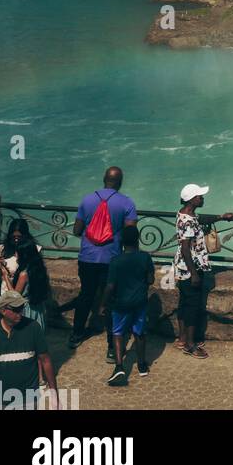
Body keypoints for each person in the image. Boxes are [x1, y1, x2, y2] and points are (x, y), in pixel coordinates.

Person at [69, 165, 137, 354]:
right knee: (110, 301)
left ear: (104, 179)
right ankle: (111, 346)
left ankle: (76, 335)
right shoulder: (127, 203)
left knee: (85, 296)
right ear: (120, 181)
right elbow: (130, 234)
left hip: (87, 257)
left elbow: (76, 230)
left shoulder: (87, 200)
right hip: (112, 259)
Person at [173, 183, 233, 359]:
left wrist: (222, 217)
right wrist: (193, 273)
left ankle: (182, 339)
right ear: (192, 199)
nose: (202, 198)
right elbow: (185, 248)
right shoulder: (187, 220)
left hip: (182, 266)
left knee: (185, 303)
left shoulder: (186, 214)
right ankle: (190, 346)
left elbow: (200, 220)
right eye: (199, 196)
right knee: (192, 306)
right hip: (190, 268)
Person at [0, 291, 58, 409]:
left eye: (21, 308)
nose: (20, 312)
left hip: (29, 399)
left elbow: (46, 360)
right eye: (16, 309)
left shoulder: (33, 328)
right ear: (2, 310)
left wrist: (54, 394)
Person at [104, 224, 155, 386]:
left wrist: (103, 303)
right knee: (139, 333)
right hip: (139, 302)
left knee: (118, 333)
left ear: (121, 241)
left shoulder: (115, 261)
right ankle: (141, 365)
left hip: (120, 304)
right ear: (138, 239)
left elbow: (110, 286)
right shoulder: (145, 257)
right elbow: (151, 279)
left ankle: (119, 367)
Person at [0, 218, 51, 332]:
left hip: (22, 309)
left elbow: (14, 296)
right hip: (35, 308)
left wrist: (6, 277)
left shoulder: (23, 274)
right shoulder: (36, 268)